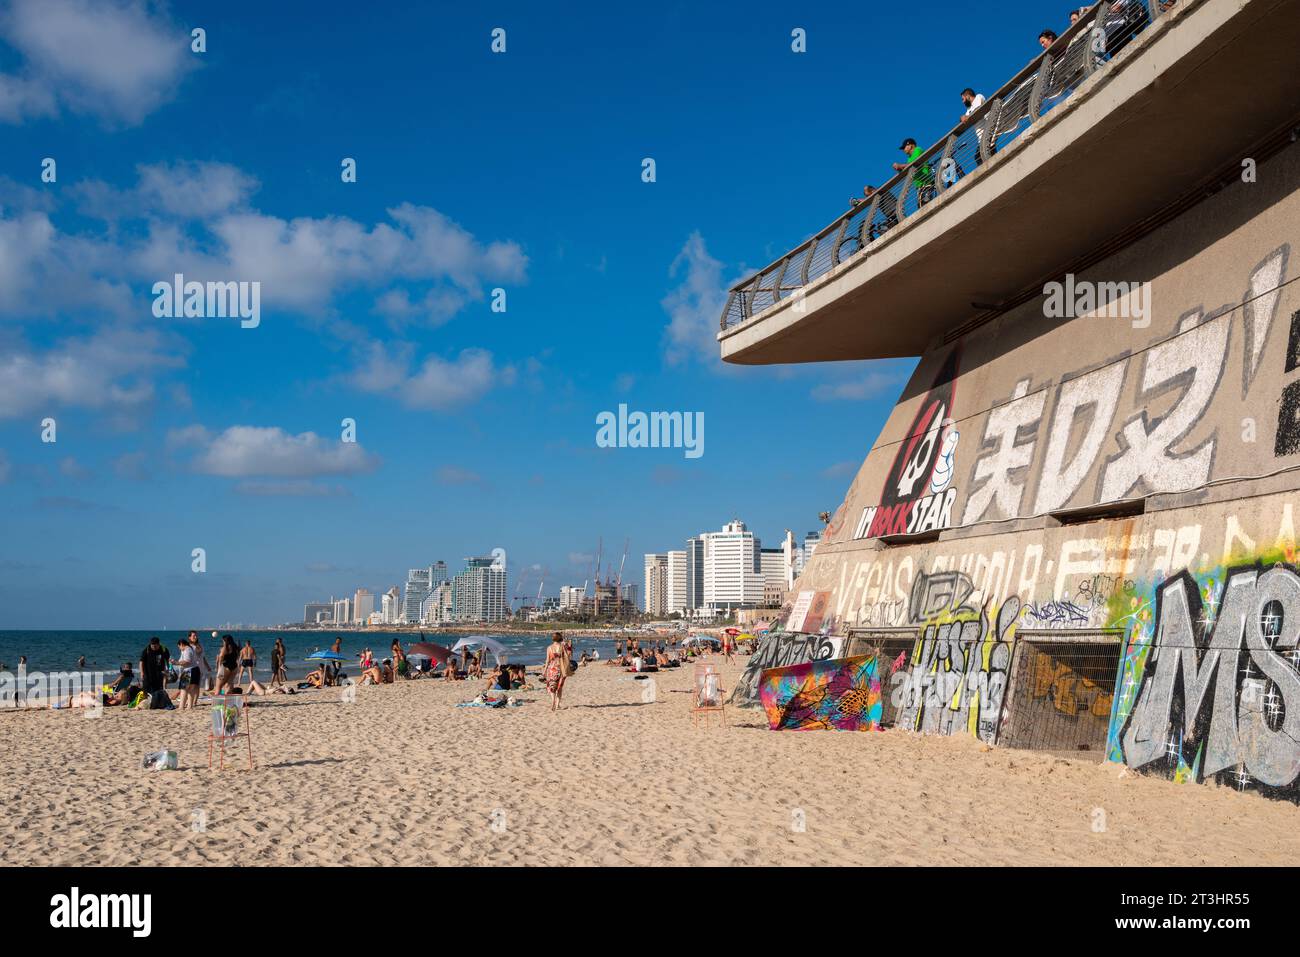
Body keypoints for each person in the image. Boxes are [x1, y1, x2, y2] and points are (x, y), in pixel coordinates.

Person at [891, 139, 934, 206]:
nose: (903, 150)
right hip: (920, 186)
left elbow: (914, 163)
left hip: (926, 182)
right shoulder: (909, 158)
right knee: (921, 206)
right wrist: (899, 168)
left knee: (926, 204)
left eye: (904, 147)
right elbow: (908, 168)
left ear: (910, 145)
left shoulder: (917, 149)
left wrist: (901, 165)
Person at [544, 632, 568, 712]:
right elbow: (566, 657)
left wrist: (544, 671)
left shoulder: (549, 648)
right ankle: (557, 705)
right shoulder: (562, 647)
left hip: (552, 669)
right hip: (561, 669)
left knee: (552, 687)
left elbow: (547, 660)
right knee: (559, 688)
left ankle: (553, 701)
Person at [175, 637, 201, 709]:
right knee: (191, 690)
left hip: (189, 670)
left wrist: (176, 663)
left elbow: (187, 661)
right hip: (195, 670)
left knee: (184, 689)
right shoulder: (190, 649)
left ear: (181, 644)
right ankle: (189, 706)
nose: (179, 649)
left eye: (179, 647)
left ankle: (181, 706)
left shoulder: (187, 650)